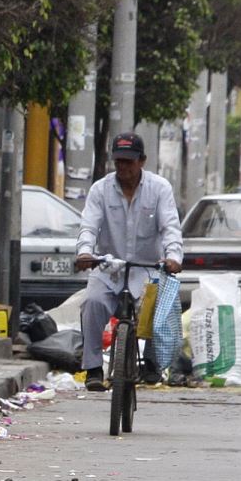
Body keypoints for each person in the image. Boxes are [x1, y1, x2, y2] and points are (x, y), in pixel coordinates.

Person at [74, 133, 182, 391]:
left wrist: (173, 257)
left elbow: (170, 228)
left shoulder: (160, 188)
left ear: (141, 161)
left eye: (129, 162)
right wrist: (85, 252)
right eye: (119, 161)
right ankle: (92, 368)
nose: (123, 167)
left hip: (147, 272)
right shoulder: (100, 189)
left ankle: (153, 363)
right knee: (92, 303)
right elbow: (89, 226)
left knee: (161, 309)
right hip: (108, 269)